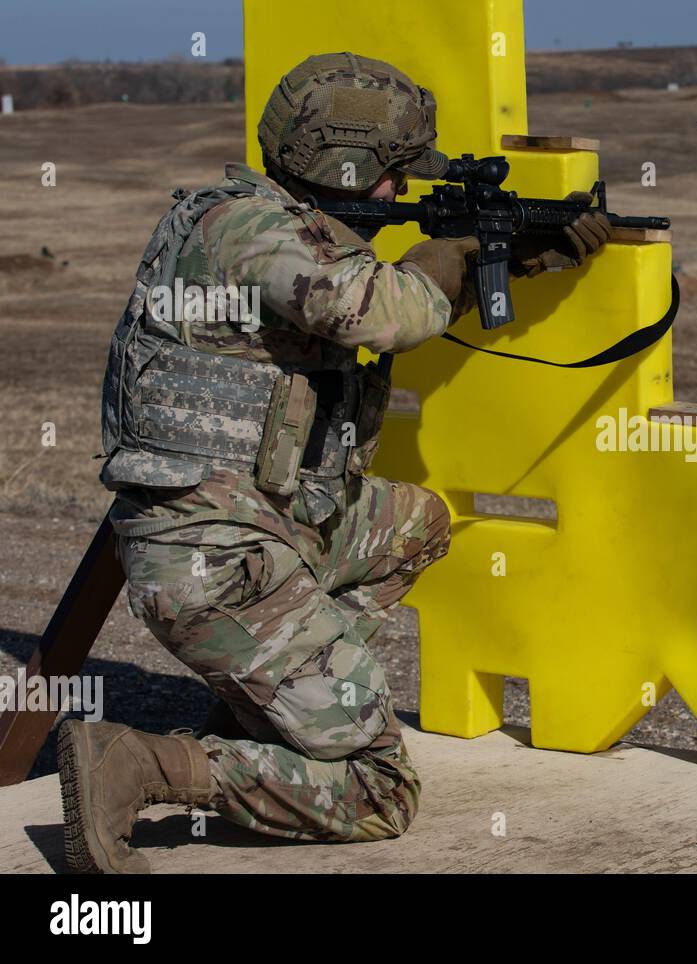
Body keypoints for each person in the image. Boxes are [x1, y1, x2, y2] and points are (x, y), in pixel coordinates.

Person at [58, 51, 611, 873]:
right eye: (391, 174)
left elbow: (366, 292)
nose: (399, 193)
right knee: (379, 790)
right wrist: (452, 254)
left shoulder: (286, 228)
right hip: (212, 560)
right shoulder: (245, 231)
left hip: (265, 526)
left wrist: (514, 252)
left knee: (414, 523)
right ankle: (146, 766)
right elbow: (372, 308)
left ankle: (279, 710)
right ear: (342, 166)